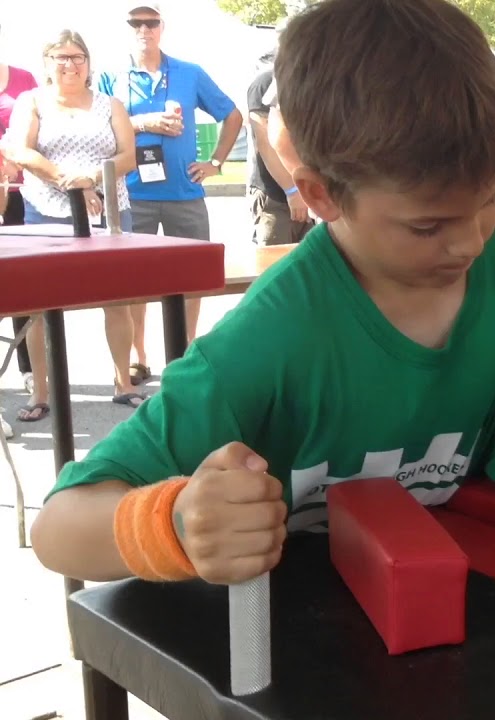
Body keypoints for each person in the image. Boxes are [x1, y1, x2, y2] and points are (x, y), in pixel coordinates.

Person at [29, 0, 495, 586]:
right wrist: (178, 521)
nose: (468, 241)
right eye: (428, 224)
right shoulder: (274, 334)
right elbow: (59, 526)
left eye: (484, 203)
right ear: (321, 195)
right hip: (286, 660)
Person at [98, 2, 244, 380]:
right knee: (133, 282)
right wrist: (143, 121)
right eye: (135, 23)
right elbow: (97, 128)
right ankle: (138, 355)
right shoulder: (110, 76)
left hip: (185, 193)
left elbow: (232, 115)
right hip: (132, 194)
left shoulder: (189, 73)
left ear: (163, 26)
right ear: (127, 28)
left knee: (191, 277)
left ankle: (186, 351)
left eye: (151, 22)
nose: (143, 29)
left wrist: (215, 163)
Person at [3, 29, 140, 421]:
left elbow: (127, 154)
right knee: (39, 307)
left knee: (118, 301)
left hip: (109, 213)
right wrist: (66, 177)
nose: (70, 64)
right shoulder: (33, 102)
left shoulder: (109, 105)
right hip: (45, 213)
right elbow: (19, 149)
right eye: (61, 57)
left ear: (88, 63)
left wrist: (91, 180)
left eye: (77, 56)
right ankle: (41, 392)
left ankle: (124, 383)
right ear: (47, 64)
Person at [0, 51, 39, 409]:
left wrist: (14, 158)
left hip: (16, 193)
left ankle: (30, 370)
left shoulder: (24, 80)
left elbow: (37, 133)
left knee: (19, 286)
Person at [246, 65, 312, 245]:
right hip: (275, 197)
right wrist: (292, 191)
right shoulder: (265, 83)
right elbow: (266, 145)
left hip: (311, 195)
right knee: (274, 262)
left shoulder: (314, 82)